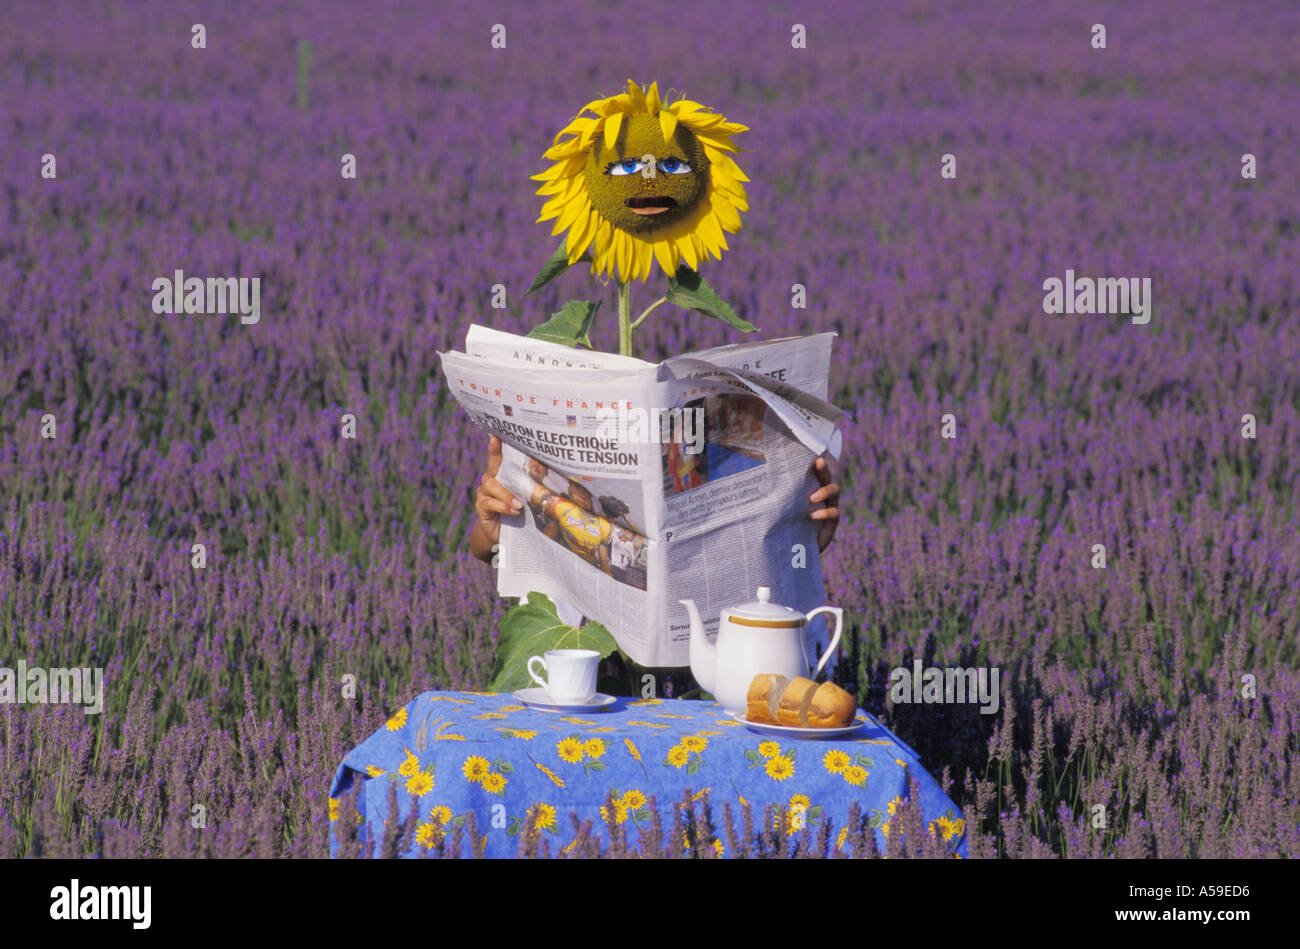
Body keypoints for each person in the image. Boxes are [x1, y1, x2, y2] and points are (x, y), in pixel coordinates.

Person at [468, 434, 842, 693]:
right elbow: (486, 549)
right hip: (591, 683)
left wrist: (800, 541)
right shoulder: (557, 503)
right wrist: (498, 524)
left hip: (695, 692)